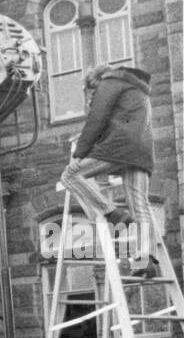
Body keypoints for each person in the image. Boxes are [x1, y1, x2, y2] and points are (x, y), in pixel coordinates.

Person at [59, 64, 156, 273]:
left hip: (118, 148)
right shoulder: (138, 90)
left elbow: (97, 119)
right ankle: (146, 258)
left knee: (70, 175)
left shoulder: (109, 83)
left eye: (91, 93)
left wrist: (79, 154)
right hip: (141, 152)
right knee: (140, 205)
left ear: (94, 83)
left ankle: (111, 212)